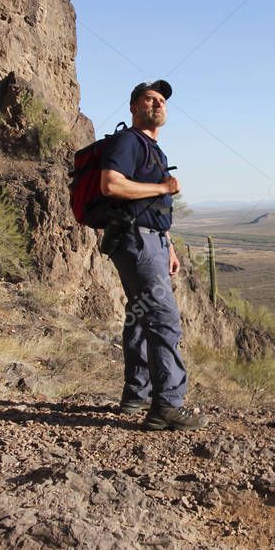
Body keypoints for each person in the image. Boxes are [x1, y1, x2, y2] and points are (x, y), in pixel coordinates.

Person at [99, 79, 208, 431]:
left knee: (139, 315)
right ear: (134, 107)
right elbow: (111, 184)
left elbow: (153, 207)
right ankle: (168, 406)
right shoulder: (129, 141)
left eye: (161, 101)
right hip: (136, 241)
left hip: (151, 241)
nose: (158, 105)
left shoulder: (153, 149)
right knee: (164, 319)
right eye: (149, 99)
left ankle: (137, 394)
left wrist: (169, 245)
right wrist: (163, 187)